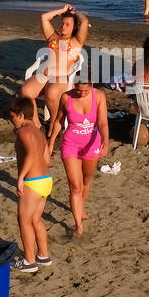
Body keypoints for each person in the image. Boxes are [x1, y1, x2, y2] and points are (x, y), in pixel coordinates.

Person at [47, 77, 109, 235]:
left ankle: (80, 207)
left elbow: (102, 122)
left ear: (92, 85)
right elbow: (59, 121)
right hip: (71, 144)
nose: (81, 94)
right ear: (74, 85)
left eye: (85, 90)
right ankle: (78, 225)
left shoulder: (99, 96)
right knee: (75, 186)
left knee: (86, 180)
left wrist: (106, 141)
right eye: (78, 90)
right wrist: (51, 142)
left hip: (92, 143)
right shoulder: (66, 97)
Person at [20, 3, 90, 125]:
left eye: (67, 24)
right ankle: (36, 124)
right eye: (62, 23)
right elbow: (44, 17)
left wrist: (74, 13)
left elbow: (84, 22)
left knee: (51, 92)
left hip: (62, 78)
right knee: (25, 91)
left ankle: (55, 122)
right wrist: (62, 10)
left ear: (74, 28)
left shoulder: (76, 42)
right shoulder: (53, 37)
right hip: (45, 76)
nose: (63, 26)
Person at [9, 96, 52, 272]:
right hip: (46, 180)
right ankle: (43, 256)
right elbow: (46, 159)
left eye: (12, 116)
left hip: (32, 182)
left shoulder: (23, 132)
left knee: (24, 221)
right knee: (36, 220)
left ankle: (29, 261)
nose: (11, 121)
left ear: (20, 115)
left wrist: (21, 177)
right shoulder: (38, 132)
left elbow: (32, 154)